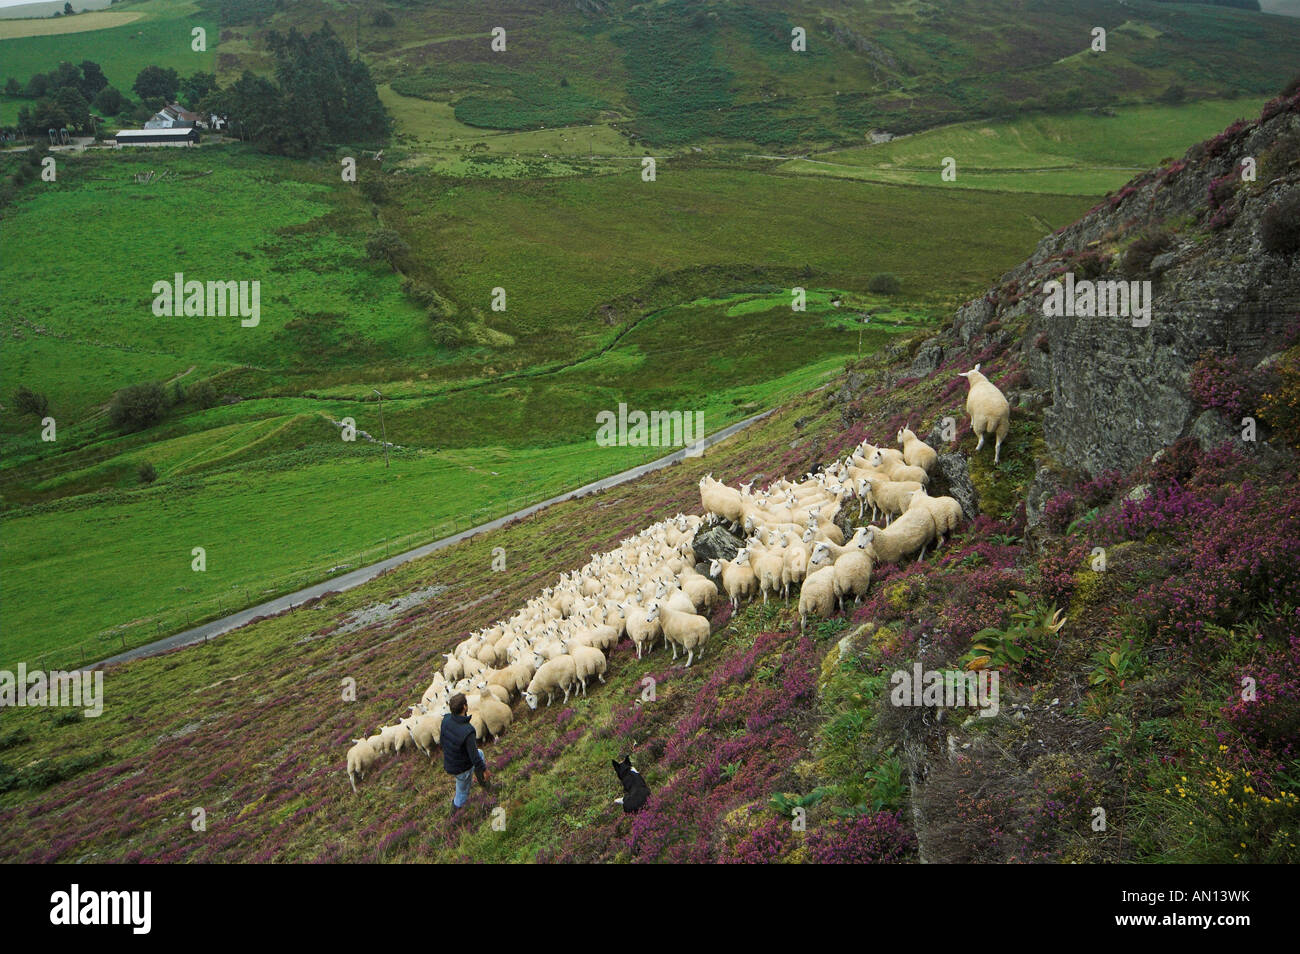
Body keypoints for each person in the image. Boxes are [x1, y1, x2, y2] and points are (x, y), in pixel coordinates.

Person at [440, 693, 489, 810]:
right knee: (462, 794)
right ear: (464, 707)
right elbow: (474, 757)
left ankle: (484, 784)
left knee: (480, 753)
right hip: (461, 767)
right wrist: (485, 770)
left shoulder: (446, 719)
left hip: (451, 760)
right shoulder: (468, 731)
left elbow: (442, 740)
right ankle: (455, 816)